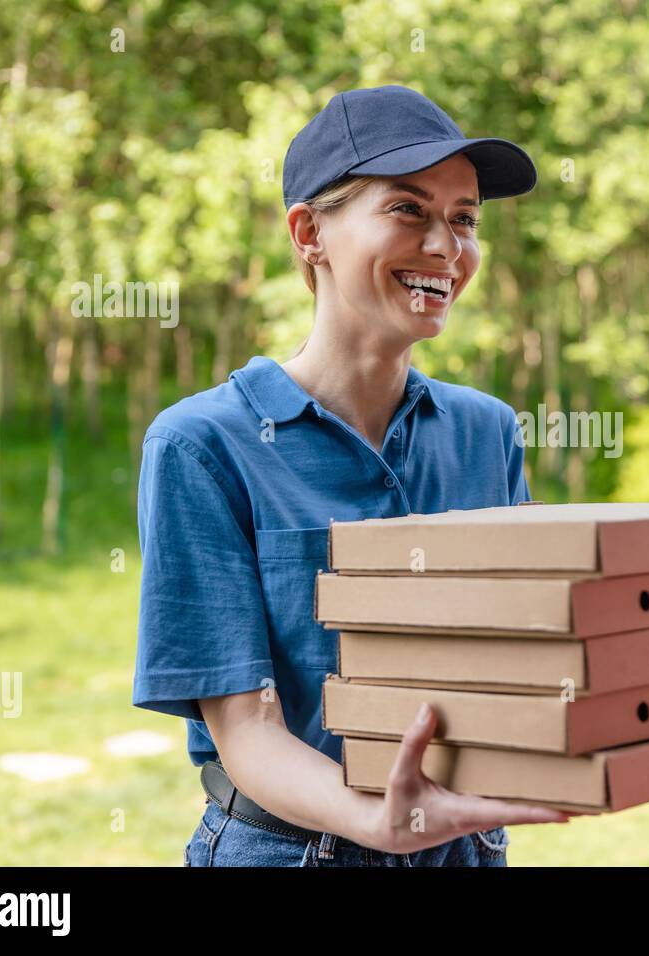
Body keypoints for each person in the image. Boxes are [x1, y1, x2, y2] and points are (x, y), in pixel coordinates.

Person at [132, 85, 569, 867]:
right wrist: (374, 821)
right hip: (292, 853)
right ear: (310, 233)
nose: (446, 246)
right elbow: (247, 729)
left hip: (463, 850)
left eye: (464, 219)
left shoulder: (487, 431)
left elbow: (526, 664)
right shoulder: (201, 446)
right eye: (409, 209)